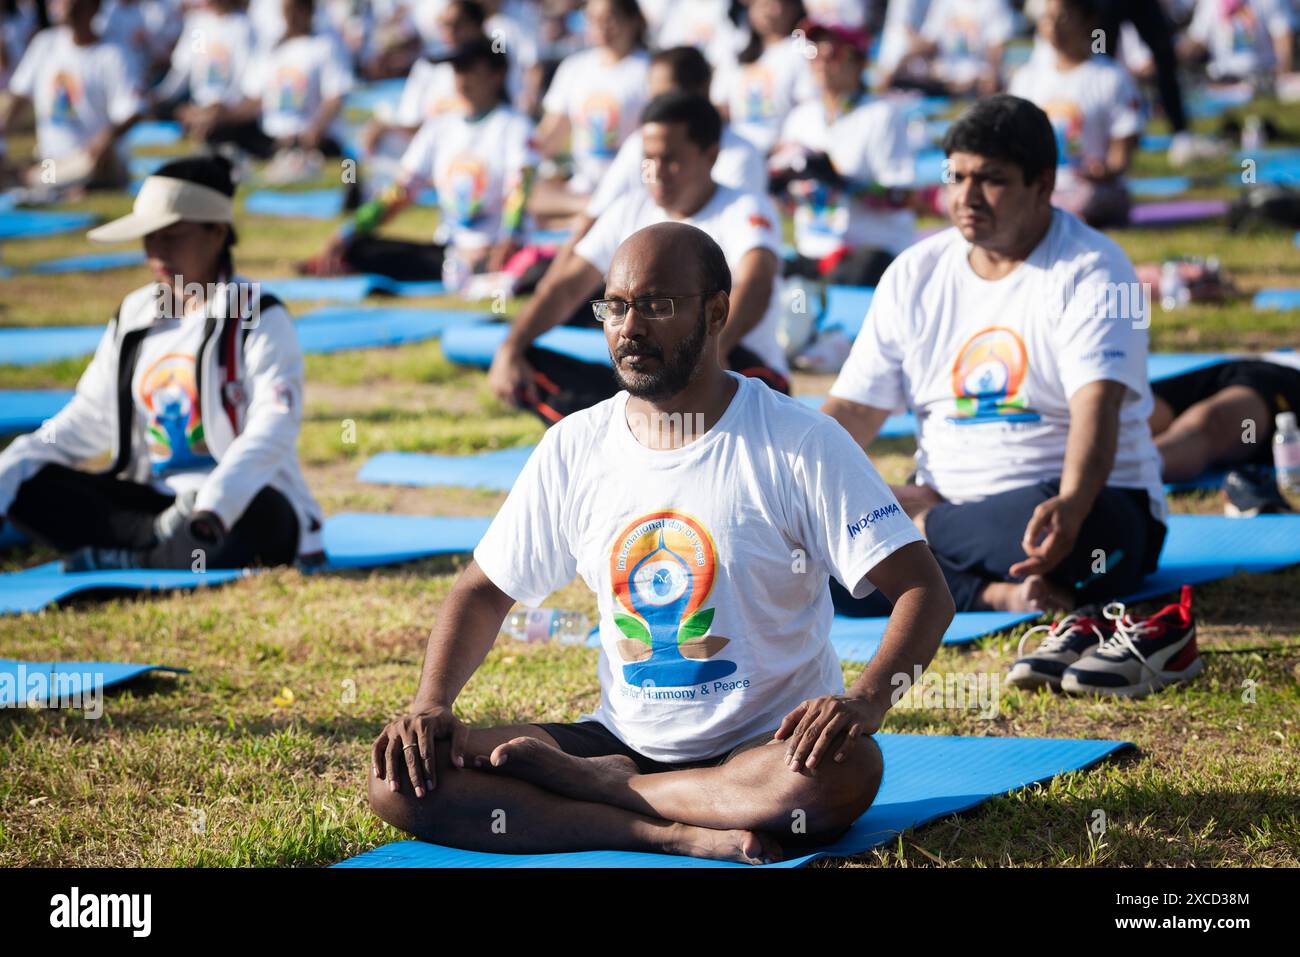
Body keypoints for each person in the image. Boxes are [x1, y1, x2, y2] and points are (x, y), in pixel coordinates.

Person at [365, 221, 955, 865]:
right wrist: (431, 704)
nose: (630, 327)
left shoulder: (799, 442)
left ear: (718, 311)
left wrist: (866, 700)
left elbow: (924, 590)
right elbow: (481, 591)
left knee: (839, 775)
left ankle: (618, 794)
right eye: (615, 307)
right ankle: (658, 827)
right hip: (616, 740)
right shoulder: (574, 445)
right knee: (401, 780)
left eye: (657, 305)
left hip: (762, 750)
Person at [822, 95, 1168, 616]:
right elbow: (854, 410)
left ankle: (920, 536)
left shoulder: (1094, 269)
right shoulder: (915, 272)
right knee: (818, 564)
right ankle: (994, 594)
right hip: (955, 507)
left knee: (1058, 537)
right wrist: (793, 482)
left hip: (1082, 507)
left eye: (992, 179)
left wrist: (1070, 505)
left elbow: (1095, 411)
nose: (968, 196)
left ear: (1044, 185)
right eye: (956, 178)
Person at [0, 155, 325, 571]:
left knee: (266, 520)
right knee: (30, 487)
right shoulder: (136, 314)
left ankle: (146, 552)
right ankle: (151, 548)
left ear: (217, 232)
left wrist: (213, 506)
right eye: (149, 238)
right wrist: (14, 465)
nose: (156, 251)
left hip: (231, 506)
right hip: (153, 509)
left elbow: (273, 426)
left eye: (172, 236)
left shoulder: (257, 313)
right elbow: (88, 416)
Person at [487, 93, 789, 424]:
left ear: (711, 155)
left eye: (671, 159)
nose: (656, 172)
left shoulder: (746, 208)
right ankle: (639, 426)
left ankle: (655, 423)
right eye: (649, 159)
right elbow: (567, 288)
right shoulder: (628, 210)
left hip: (734, 365)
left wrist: (718, 350)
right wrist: (511, 347)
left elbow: (755, 283)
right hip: (656, 370)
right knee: (527, 359)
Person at [298, 39, 532, 283]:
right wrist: (349, 232)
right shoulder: (440, 126)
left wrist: (509, 239)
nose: (460, 79)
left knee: (523, 268)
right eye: (456, 70)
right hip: (450, 252)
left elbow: (520, 186)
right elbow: (402, 190)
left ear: (496, 75)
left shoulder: (514, 126)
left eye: (469, 69)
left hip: (498, 248)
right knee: (360, 249)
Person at [771, 19, 916, 287]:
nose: (821, 62)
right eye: (813, 53)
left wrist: (841, 183)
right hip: (815, 251)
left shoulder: (882, 115)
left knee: (857, 271)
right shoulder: (800, 118)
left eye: (834, 54)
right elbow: (791, 204)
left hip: (868, 252)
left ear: (859, 62)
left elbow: (901, 198)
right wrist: (779, 187)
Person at [1010, 0, 1142, 228]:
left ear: (1088, 23)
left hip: (1091, 189)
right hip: (1042, 188)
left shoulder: (1111, 78)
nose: (1053, 27)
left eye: (1063, 18)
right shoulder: (1026, 78)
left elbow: (1121, 155)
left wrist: (1104, 171)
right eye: (1046, 18)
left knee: (1089, 199)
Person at [527, 0, 650, 222]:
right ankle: (592, 210)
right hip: (582, 190)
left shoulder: (648, 69)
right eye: (593, 19)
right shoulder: (574, 67)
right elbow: (550, 135)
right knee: (531, 194)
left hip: (631, 186)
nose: (601, 26)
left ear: (632, 21)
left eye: (609, 18)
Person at [4, 0, 144, 190]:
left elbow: (132, 110)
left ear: (93, 8)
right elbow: (18, 96)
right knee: (35, 173)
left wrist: (105, 139)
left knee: (44, 177)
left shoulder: (113, 54)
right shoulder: (45, 44)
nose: (64, 6)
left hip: (94, 162)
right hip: (51, 160)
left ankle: (32, 180)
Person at [198, 0, 354, 162]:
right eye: (288, 11)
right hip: (271, 137)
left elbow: (335, 98)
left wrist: (315, 129)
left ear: (309, 12)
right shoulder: (273, 50)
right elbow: (255, 100)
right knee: (218, 132)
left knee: (339, 160)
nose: (292, 17)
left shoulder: (326, 46)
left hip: (307, 136)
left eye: (297, 10)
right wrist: (221, 116)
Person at [1151, 354, 1300, 514]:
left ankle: (1128, 470)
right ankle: (1128, 468)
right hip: (1252, 365)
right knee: (1130, 414)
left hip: (1284, 381)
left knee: (1210, 425)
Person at [711, 0, 812, 154]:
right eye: (760, 4)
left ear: (793, 8)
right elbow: (721, 105)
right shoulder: (735, 57)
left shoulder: (801, 51)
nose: (767, 11)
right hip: (738, 151)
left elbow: (807, 106)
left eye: (774, 3)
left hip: (782, 153)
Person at [153, 0, 257, 140]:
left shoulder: (242, 26)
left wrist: (223, 105)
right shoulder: (200, 25)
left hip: (227, 107)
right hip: (198, 102)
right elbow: (186, 67)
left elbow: (242, 74)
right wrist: (164, 94)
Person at [909, 0, 1015, 96]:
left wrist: (992, 74)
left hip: (977, 84)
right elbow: (931, 40)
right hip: (944, 83)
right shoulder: (942, 3)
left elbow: (996, 44)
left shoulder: (995, 3)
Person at [1183, 0, 1295, 85]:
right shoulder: (1209, 3)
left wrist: (1283, 71)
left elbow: (1283, 36)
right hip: (1223, 78)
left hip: (1264, 76)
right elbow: (1196, 40)